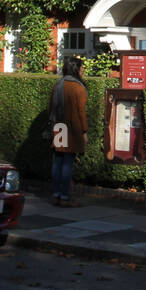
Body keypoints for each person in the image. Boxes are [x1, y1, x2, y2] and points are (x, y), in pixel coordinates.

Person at [48, 56, 87, 207]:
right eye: (82, 67)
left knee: (58, 160)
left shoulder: (58, 84)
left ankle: (55, 194)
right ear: (76, 69)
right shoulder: (78, 88)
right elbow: (81, 112)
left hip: (59, 127)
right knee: (68, 163)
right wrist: (84, 132)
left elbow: (50, 107)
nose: (83, 70)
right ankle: (64, 196)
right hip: (73, 128)